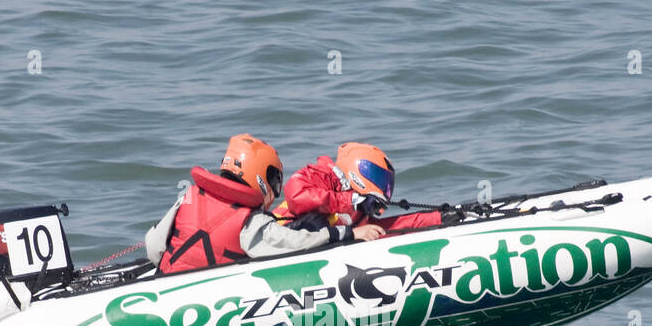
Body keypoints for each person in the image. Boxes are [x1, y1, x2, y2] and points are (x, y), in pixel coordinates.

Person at [147, 135, 382, 274]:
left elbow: (154, 246)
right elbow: (297, 244)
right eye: (273, 180)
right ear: (258, 176)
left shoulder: (189, 196)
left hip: (165, 280)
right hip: (212, 299)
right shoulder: (251, 220)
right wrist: (348, 233)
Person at [273, 141, 447, 243]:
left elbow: (387, 228)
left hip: (310, 245)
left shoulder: (357, 210)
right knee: (316, 222)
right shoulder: (322, 176)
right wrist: (351, 201)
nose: (384, 186)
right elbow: (297, 197)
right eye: (378, 176)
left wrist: (441, 218)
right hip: (277, 242)